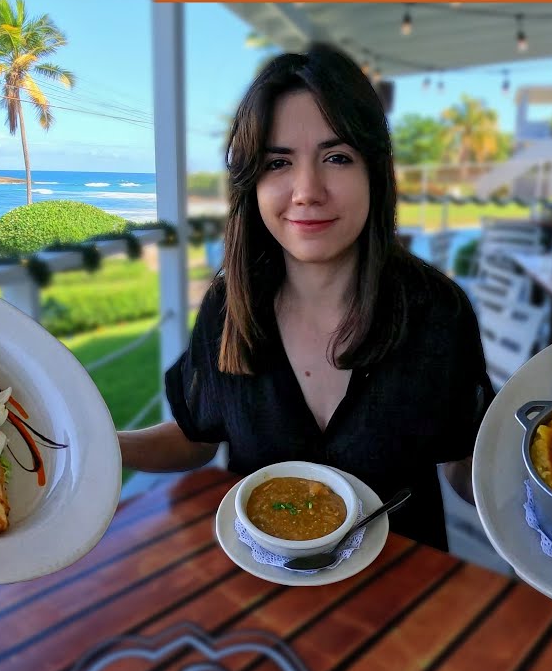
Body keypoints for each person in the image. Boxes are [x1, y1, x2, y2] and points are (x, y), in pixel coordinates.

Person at [117, 43, 494, 551]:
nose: (307, 190)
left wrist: (539, 485)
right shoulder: (229, 308)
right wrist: (102, 446)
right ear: (251, 182)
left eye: (336, 157)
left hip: (404, 584)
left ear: (374, 172)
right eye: (278, 162)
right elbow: (196, 438)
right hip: (259, 580)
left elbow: (463, 460)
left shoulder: (436, 310)